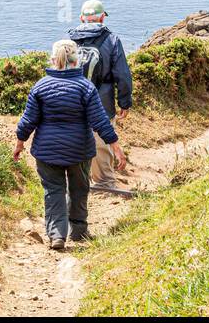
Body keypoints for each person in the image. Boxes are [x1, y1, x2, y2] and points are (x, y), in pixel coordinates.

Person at [13, 39, 125, 250]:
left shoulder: (41, 86)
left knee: (53, 190)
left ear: (53, 60)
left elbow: (28, 121)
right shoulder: (86, 87)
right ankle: (79, 232)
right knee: (79, 189)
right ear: (77, 60)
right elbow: (100, 121)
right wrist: (116, 148)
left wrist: (19, 143)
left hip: (47, 151)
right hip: (79, 150)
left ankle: (57, 235)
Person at [67, 0, 133, 189]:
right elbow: (122, 74)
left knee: (75, 141)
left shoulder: (69, 40)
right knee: (102, 143)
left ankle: (78, 182)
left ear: (81, 18)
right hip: (102, 102)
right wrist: (124, 102)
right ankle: (104, 183)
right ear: (102, 18)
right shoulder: (112, 40)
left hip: (73, 101)